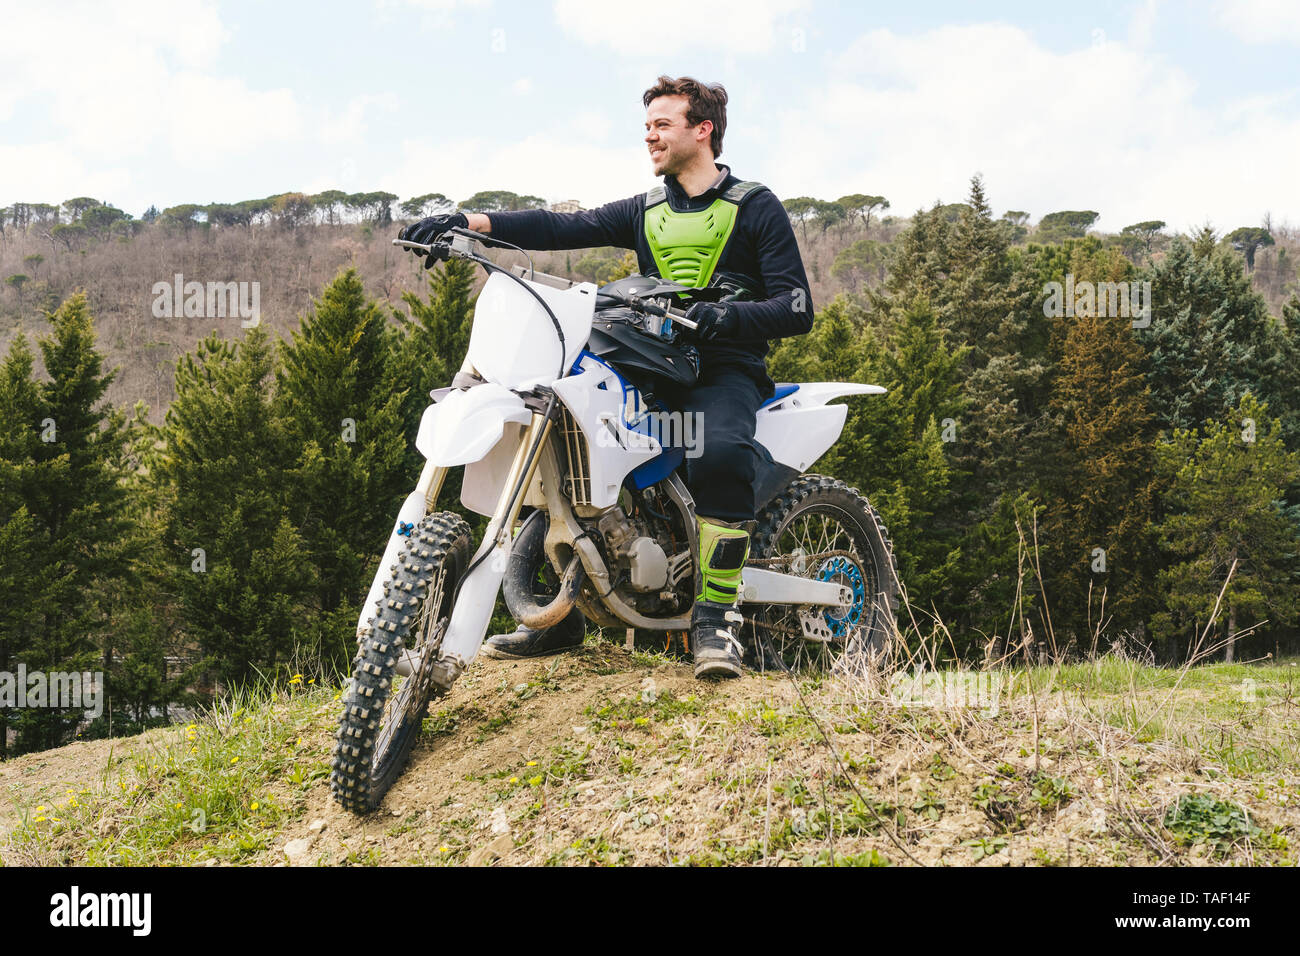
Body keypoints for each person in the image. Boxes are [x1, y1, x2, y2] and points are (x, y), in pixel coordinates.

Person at [399, 75, 814, 679]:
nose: (649, 135)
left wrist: (717, 315)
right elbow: (561, 227)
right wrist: (468, 222)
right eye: (646, 125)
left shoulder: (755, 207)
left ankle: (716, 617)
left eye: (662, 124)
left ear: (704, 131)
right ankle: (561, 611)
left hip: (724, 364)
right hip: (649, 360)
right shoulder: (645, 210)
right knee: (559, 430)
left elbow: (796, 307)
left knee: (719, 451)